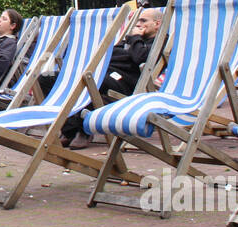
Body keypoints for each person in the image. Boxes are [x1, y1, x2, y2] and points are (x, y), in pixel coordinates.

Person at [61, 8, 162, 149]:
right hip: (109, 75)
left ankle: (82, 131)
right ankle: (71, 130)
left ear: (157, 24)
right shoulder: (133, 40)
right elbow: (111, 54)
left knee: (90, 81)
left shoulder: (158, 41)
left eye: (143, 20)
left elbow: (140, 57)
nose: (138, 24)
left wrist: (134, 39)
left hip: (126, 82)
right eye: (138, 20)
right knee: (53, 79)